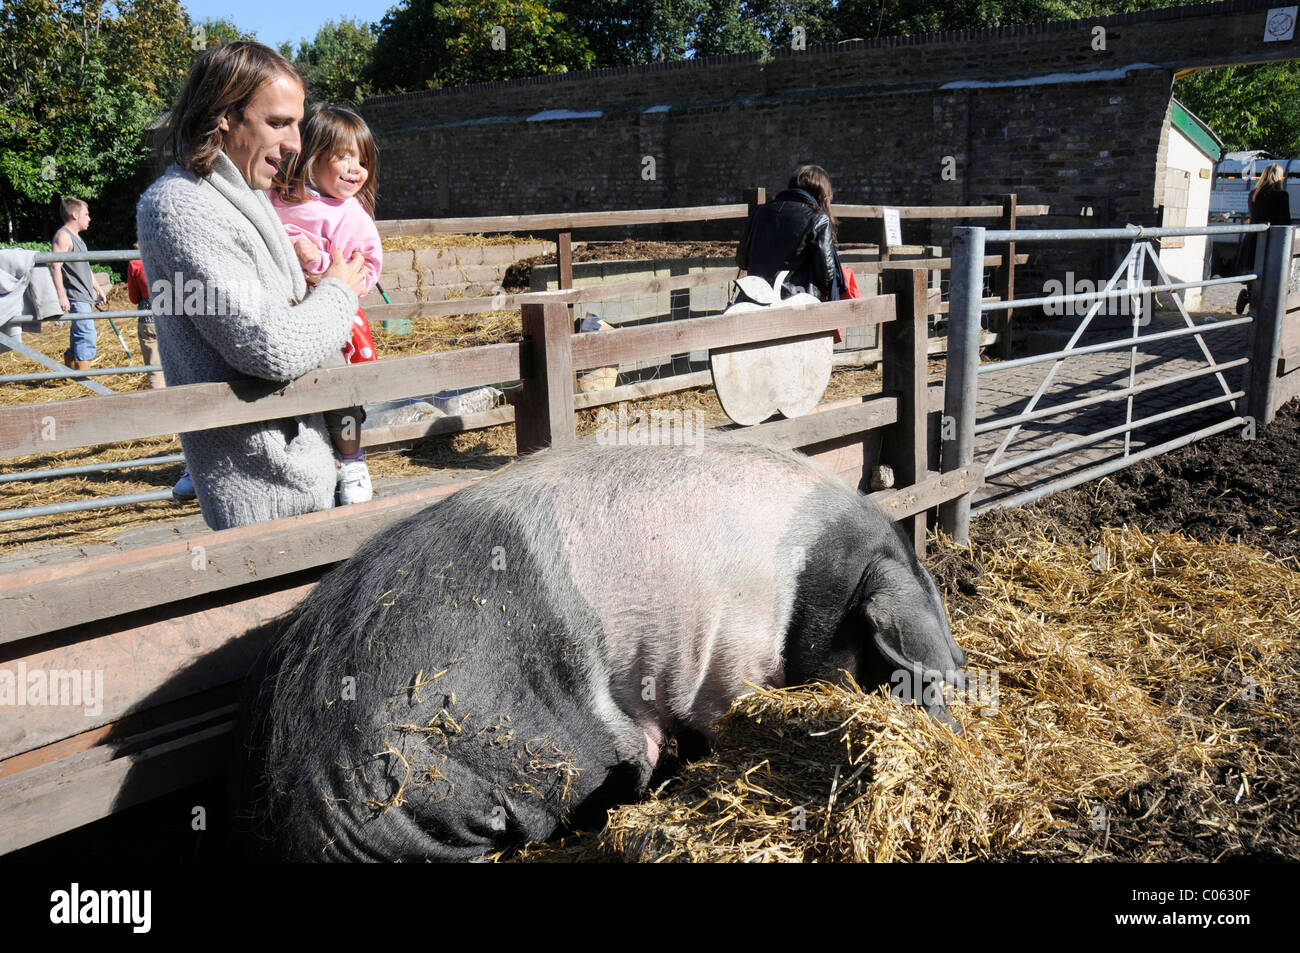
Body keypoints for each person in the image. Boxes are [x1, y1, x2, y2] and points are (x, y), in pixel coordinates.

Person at [136, 41, 369, 531]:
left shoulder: (249, 197)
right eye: (279, 123)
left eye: (297, 124)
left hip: (306, 471)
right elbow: (271, 347)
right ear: (225, 115)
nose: (295, 144)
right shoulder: (180, 208)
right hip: (264, 493)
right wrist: (339, 291)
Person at [269, 103, 383, 505]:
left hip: (328, 318)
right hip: (276, 312)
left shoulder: (350, 215)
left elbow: (365, 268)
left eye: (362, 160)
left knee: (338, 387)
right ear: (311, 155)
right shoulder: (276, 199)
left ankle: (352, 461)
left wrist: (315, 262)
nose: (356, 169)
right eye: (344, 157)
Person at [737, 164, 846, 302]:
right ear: (822, 194)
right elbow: (826, 275)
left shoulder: (759, 212)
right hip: (796, 301)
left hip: (756, 297)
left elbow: (742, 260)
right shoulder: (818, 218)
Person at [51, 198, 107, 371]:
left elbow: (86, 267)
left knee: (78, 336)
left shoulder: (78, 240)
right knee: (86, 335)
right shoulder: (63, 236)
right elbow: (55, 266)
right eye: (86, 214)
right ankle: (84, 379)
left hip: (84, 294)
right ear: (74, 215)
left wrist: (98, 288)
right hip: (75, 296)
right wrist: (61, 296)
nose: (89, 218)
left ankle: (71, 372)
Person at [1236, 163, 1292, 314]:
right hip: (1272, 240)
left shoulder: (1253, 194)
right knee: (1271, 275)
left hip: (1253, 238)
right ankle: (1263, 311)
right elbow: (1285, 222)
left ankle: (1249, 298)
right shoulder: (1281, 195)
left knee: (1256, 273)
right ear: (1279, 177)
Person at [125, 248, 165, 389]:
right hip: (172, 319)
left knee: (155, 371)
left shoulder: (135, 262)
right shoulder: (168, 256)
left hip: (149, 320)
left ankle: (161, 405)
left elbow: (134, 298)